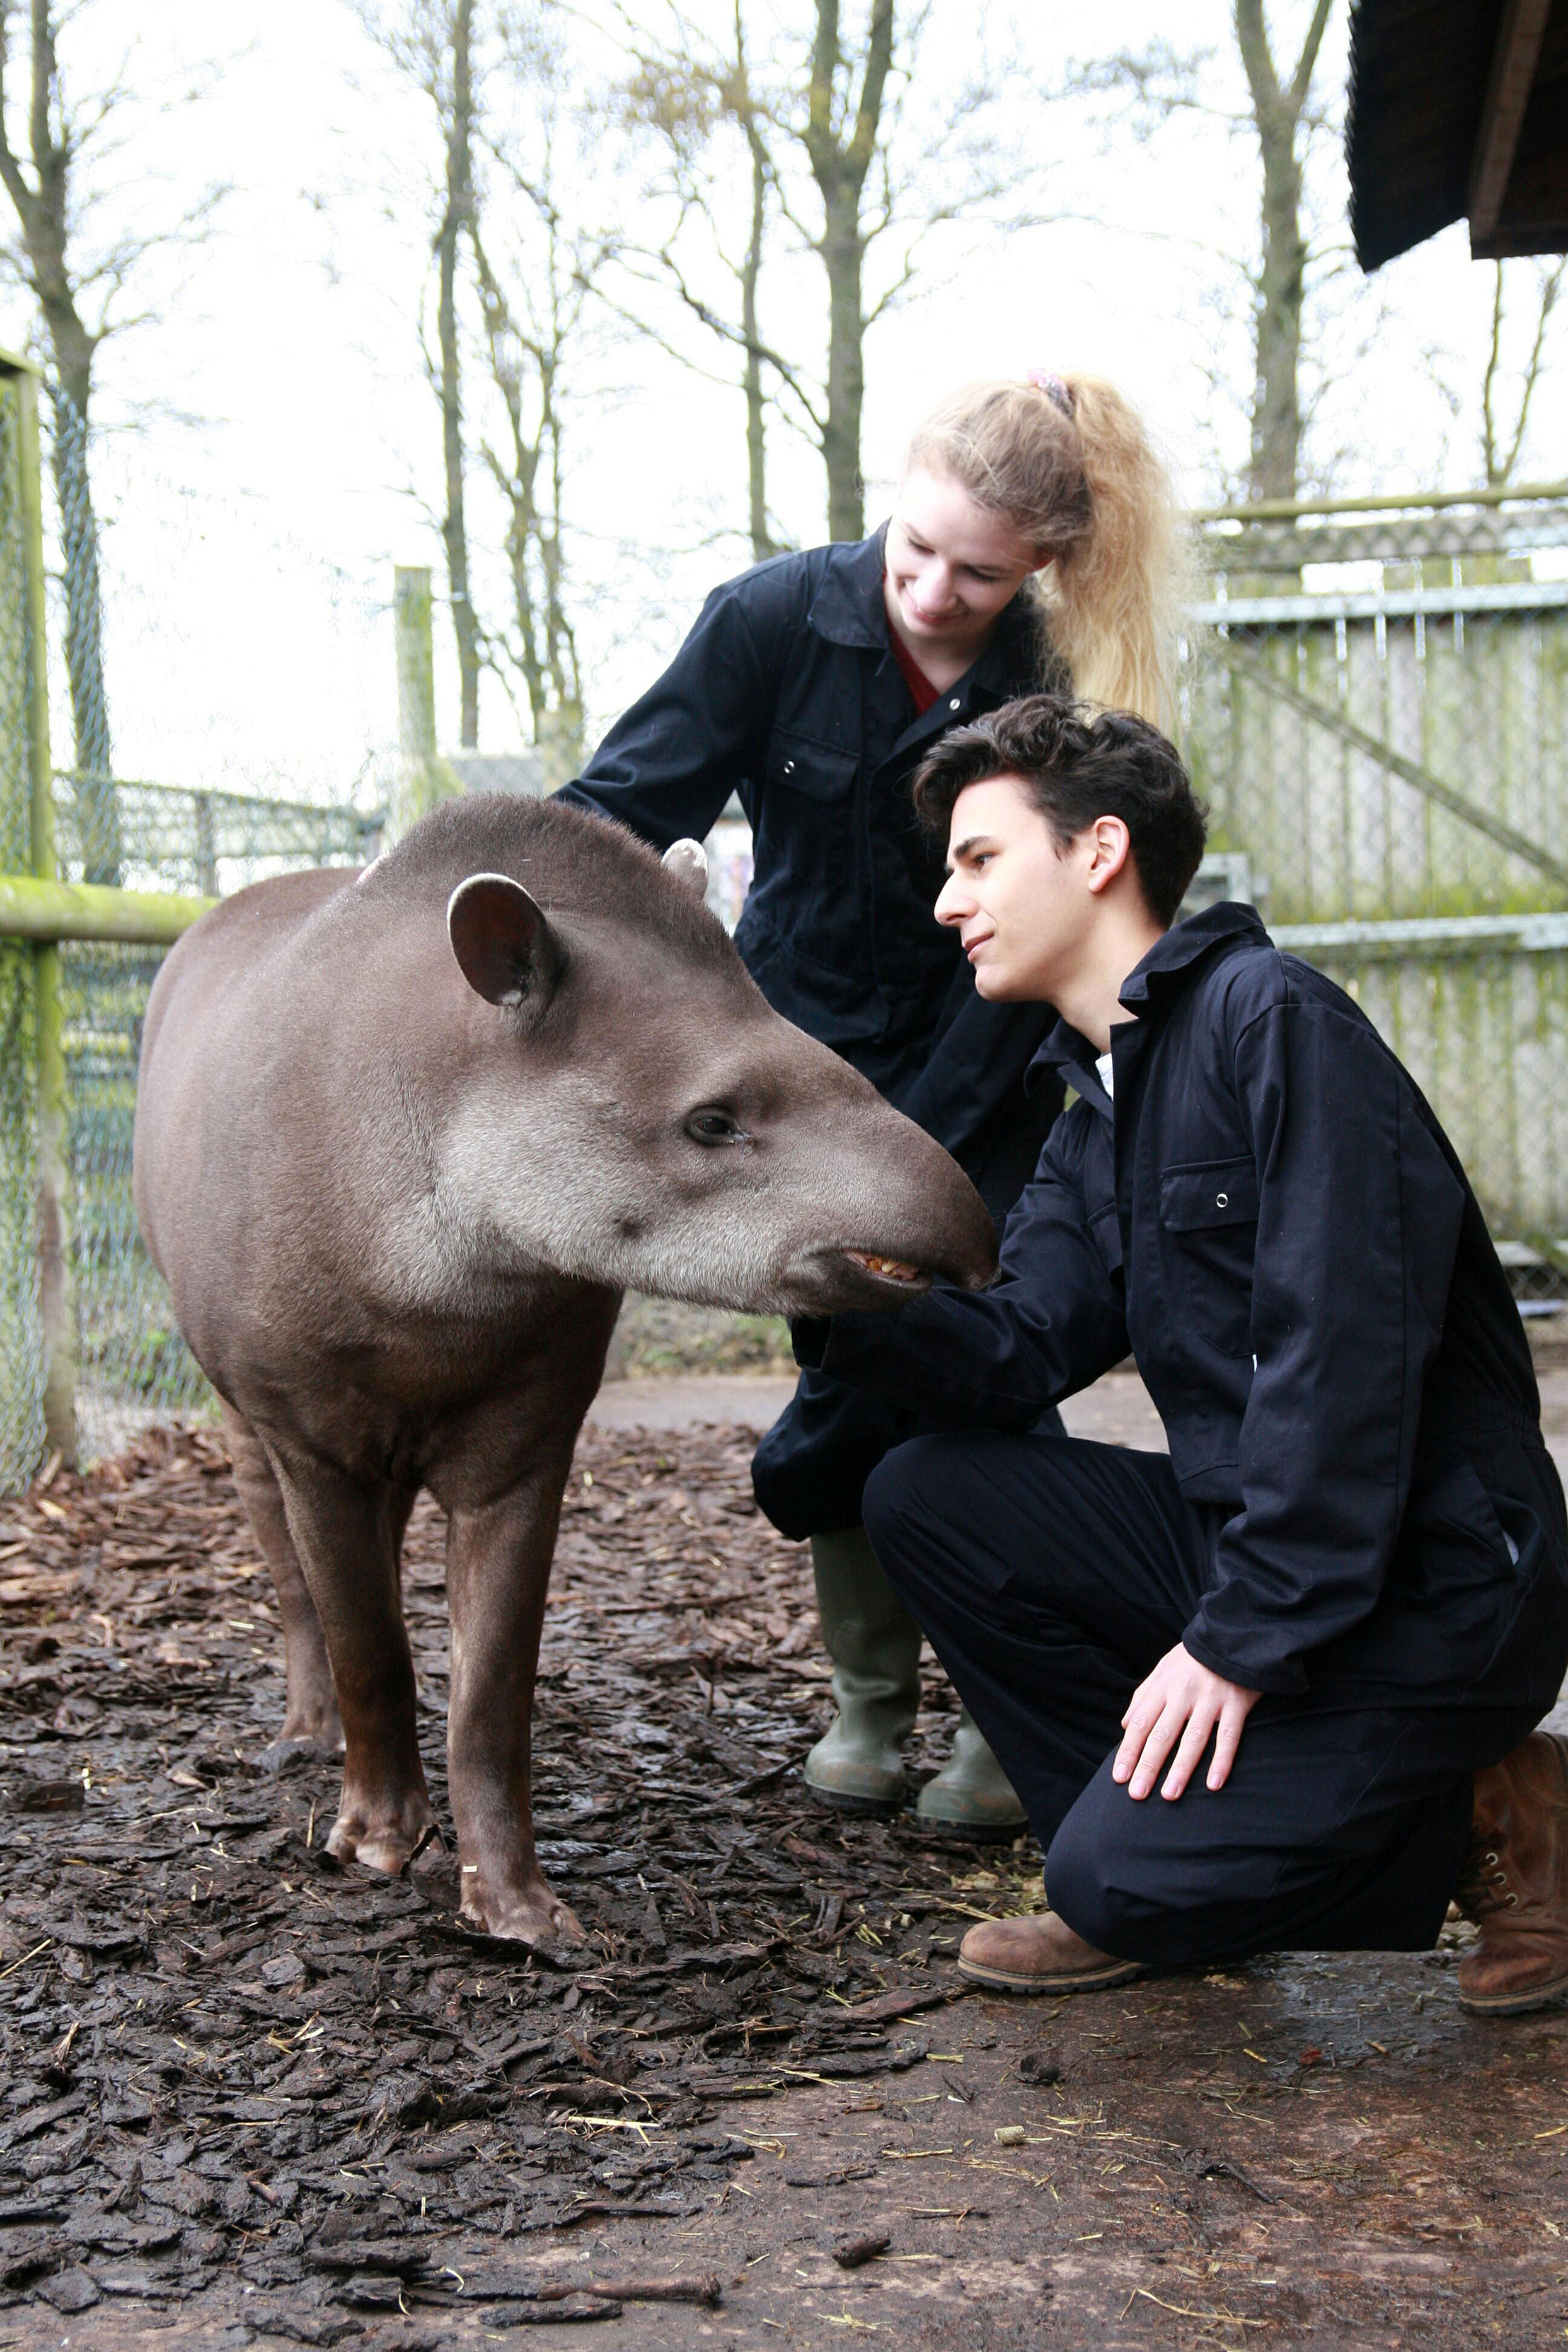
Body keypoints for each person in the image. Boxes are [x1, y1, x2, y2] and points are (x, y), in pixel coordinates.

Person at [794, 694, 1568, 2011]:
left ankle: (1503, 1809)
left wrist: (1236, 1644)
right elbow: (1018, 1348)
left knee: (1115, 1884)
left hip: (1437, 1581)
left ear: (1098, 852)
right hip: (1270, 1550)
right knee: (929, 1496)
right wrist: (830, 1286)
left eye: (978, 859)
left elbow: (1348, 1366)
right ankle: (1170, 1842)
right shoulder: (1099, 1099)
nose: (945, 902)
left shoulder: (1275, 1024)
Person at [558, 374, 1186, 1835]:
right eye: (916, 548)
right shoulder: (769, 620)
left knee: (997, 1366)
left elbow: (1077, 907)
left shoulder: (1058, 669)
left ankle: (1002, 1711)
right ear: (894, 493)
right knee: (849, 1370)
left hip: (994, 1071)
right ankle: (868, 1703)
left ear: (1043, 562)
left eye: (977, 571)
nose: (933, 589)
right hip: (805, 1084)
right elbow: (621, 800)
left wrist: (978, 1111)